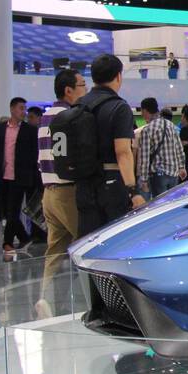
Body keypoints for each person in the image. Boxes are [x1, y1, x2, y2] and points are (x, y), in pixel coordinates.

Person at [36, 68, 87, 317]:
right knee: (89, 245)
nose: (84, 90)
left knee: (53, 252)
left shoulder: (45, 117)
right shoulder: (70, 117)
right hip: (67, 192)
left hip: (48, 193)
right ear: (68, 90)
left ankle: (45, 301)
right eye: (81, 85)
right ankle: (95, 302)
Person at [74, 53, 144, 236]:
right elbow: (122, 152)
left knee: (88, 241)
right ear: (118, 76)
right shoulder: (119, 107)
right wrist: (133, 191)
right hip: (111, 184)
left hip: (84, 183)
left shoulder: (79, 104)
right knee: (115, 240)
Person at [0, 96, 41, 254]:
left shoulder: (30, 130)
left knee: (13, 210)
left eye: (24, 108)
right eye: (21, 108)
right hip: (3, 176)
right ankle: (24, 237)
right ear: (12, 109)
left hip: (20, 176)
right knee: (5, 210)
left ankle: (7, 242)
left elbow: (34, 154)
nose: (23, 111)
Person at [136, 96, 187, 199]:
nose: (141, 114)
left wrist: (144, 180)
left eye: (142, 111)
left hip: (158, 175)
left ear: (145, 111)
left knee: (160, 205)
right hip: (173, 173)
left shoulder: (147, 130)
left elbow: (144, 158)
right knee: (171, 204)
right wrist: (182, 167)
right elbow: (179, 148)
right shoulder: (171, 125)